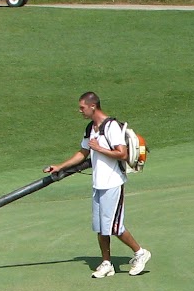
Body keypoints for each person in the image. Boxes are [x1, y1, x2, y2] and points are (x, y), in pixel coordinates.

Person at [44, 92, 151, 278]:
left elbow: (122, 154)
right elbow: (82, 153)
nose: (80, 111)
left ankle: (140, 253)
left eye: (82, 108)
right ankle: (106, 262)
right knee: (101, 227)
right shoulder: (90, 128)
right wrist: (59, 166)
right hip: (98, 184)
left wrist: (99, 148)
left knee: (115, 227)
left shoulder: (111, 127)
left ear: (93, 106)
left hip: (113, 183)